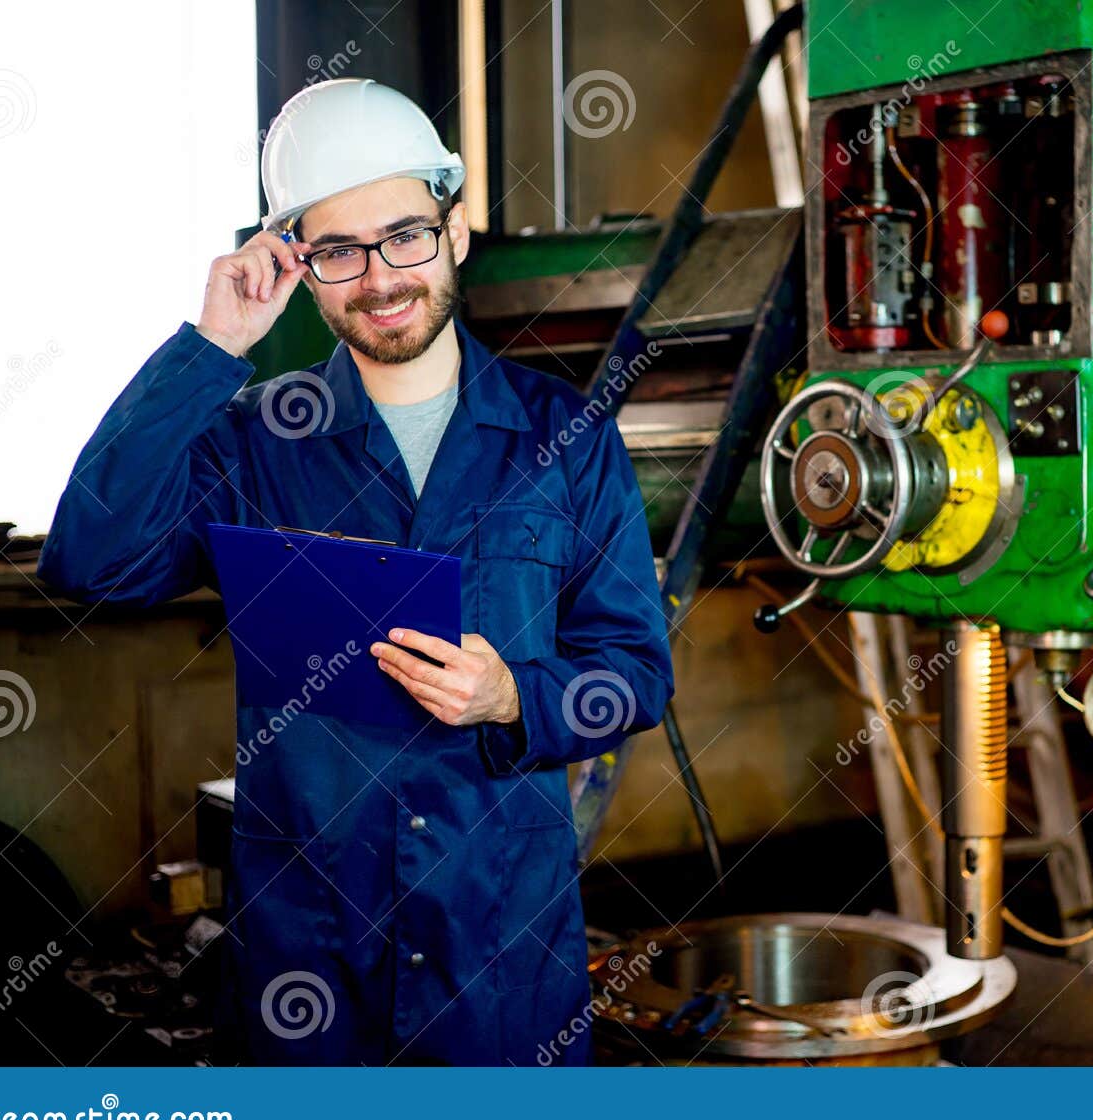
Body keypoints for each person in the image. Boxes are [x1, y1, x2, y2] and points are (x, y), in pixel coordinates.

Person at [37, 78, 673, 1064]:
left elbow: (635, 674)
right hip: (309, 962)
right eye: (337, 249)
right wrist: (210, 348)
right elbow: (90, 561)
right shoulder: (256, 443)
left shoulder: (566, 439)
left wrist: (515, 694)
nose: (379, 276)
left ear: (455, 233)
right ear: (298, 263)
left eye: (406, 235)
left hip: (498, 955)